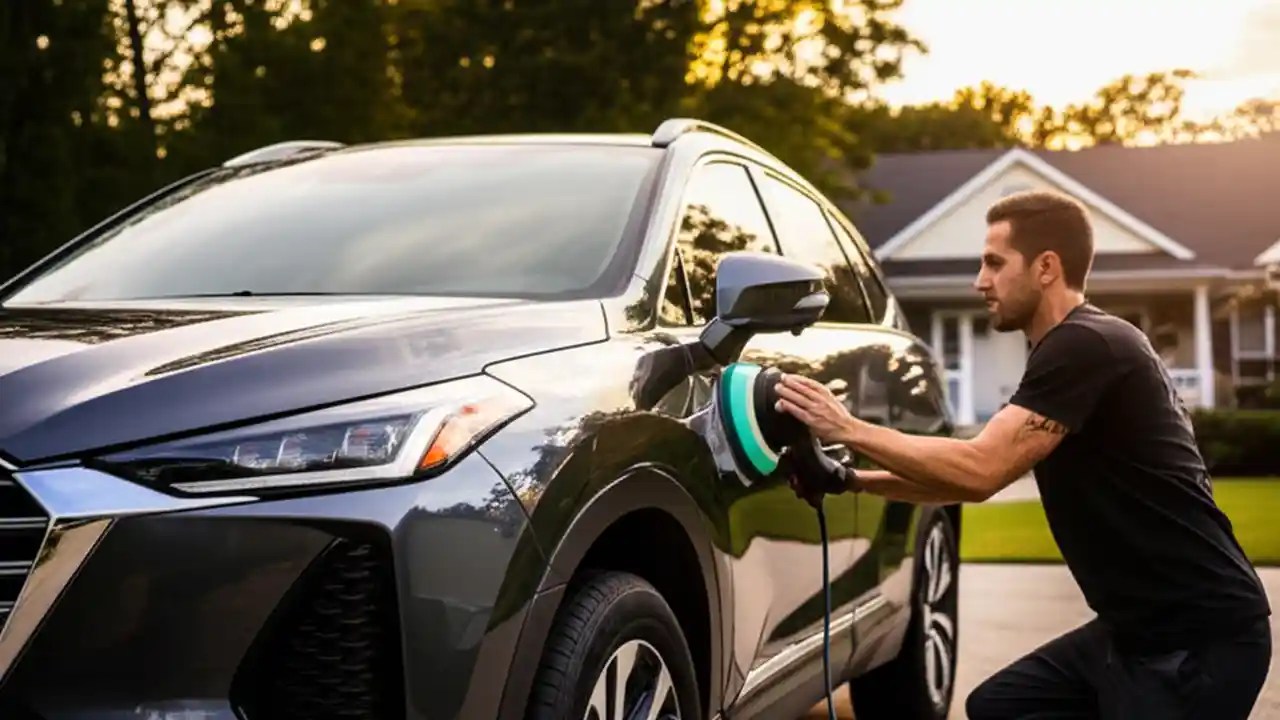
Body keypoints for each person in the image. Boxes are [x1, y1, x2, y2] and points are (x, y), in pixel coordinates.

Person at [773, 189, 1273, 719]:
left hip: (1196, 644)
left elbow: (979, 470)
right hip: (1134, 634)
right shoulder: (1071, 349)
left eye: (994, 262)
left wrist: (848, 427)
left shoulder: (1085, 345)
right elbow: (962, 479)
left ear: (1046, 268)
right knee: (1001, 707)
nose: (980, 281)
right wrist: (850, 480)